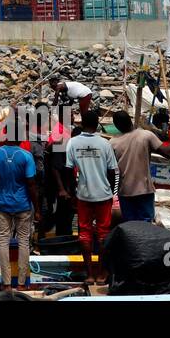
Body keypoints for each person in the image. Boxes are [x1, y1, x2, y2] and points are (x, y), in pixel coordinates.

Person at [0, 111, 39, 291]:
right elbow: (31, 184)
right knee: (24, 241)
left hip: (2, 203)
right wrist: (37, 208)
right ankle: (23, 284)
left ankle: (7, 284)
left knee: (3, 241)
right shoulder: (26, 156)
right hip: (23, 204)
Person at [66, 108, 118, 284]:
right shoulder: (105, 144)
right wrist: (110, 190)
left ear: (81, 124)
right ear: (96, 125)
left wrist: (72, 191)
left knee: (85, 233)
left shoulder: (72, 142)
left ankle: (89, 274)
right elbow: (112, 171)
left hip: (83, 195)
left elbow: (69, 171)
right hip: (103, 194)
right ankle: (102, 274)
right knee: (103, 233)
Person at [110, 110, 170, 223]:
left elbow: (110, 171)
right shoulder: (145, 135)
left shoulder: (112, 142)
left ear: (116, 126)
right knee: (146, 225)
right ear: (130, 121)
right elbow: (168, 152)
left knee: (130, 226)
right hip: (144, 190)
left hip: (125, 191)